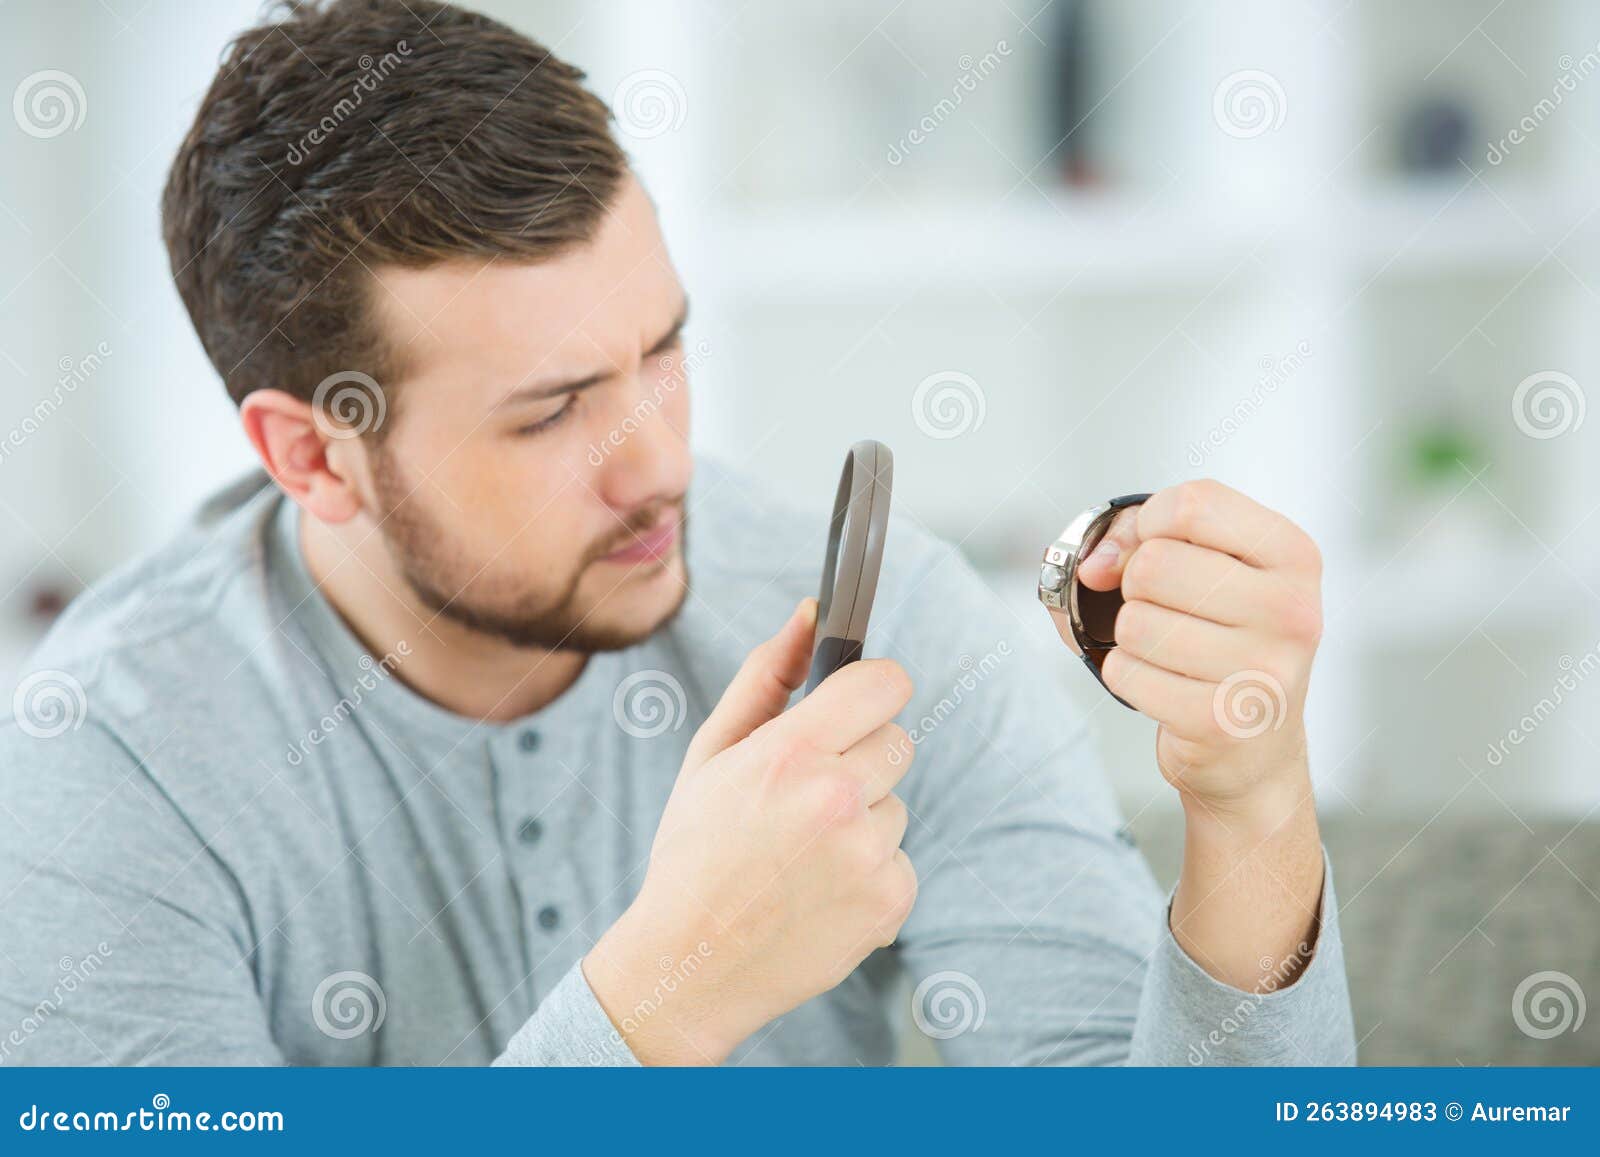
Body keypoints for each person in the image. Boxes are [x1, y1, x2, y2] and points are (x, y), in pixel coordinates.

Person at [0, 0, 1353, 1066]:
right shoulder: (106, 763)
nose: (659, 466)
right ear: (313, 453)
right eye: (550, 413)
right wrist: (657, 1002)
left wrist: (1252, 806)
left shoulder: (889, 626)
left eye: (662, 349)